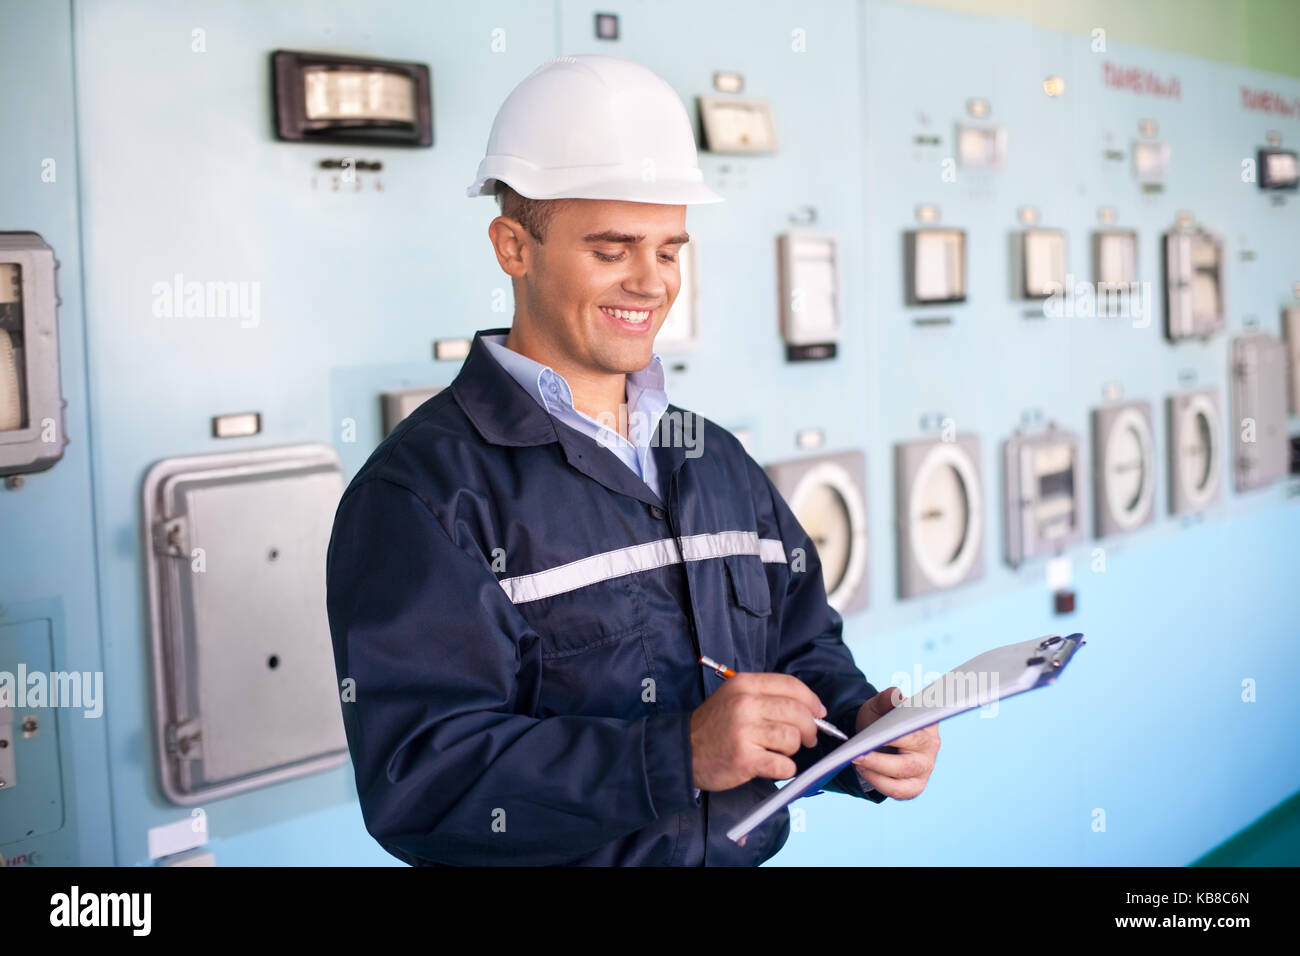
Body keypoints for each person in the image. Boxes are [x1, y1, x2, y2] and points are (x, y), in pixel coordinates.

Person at [325, 54, 938, 866]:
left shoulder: (711, 457)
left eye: (670, 250)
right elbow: (423, 781)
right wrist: (675, 754)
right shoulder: (424, 496)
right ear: (514, 246)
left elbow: (800, 650)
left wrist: (861, 729)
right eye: (612, 251)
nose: (649, 283)